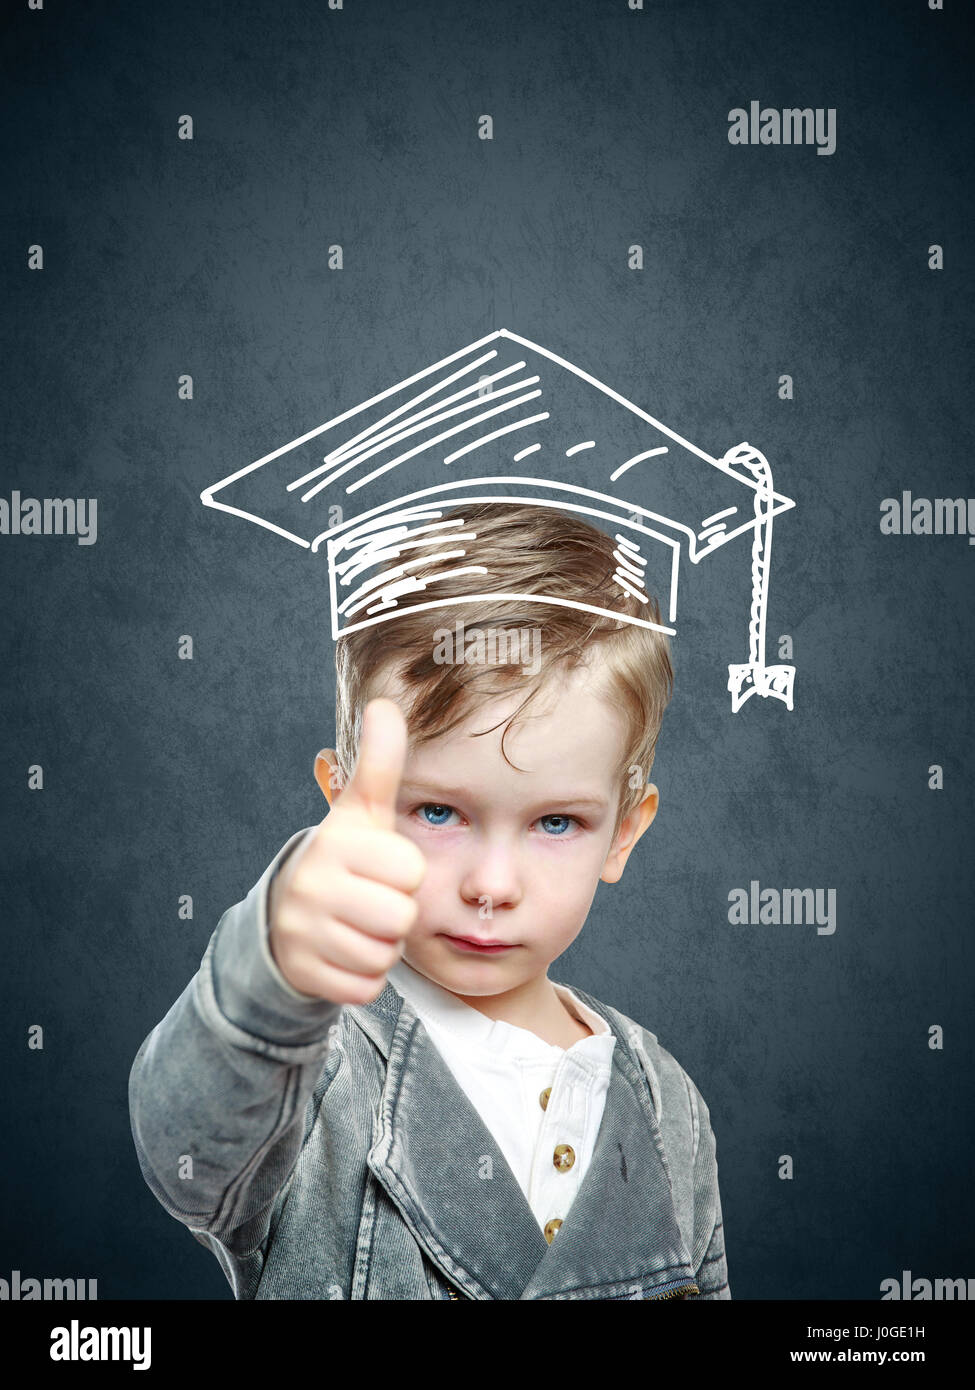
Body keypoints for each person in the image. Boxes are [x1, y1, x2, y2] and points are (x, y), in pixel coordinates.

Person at [128, 502, 730, 1300]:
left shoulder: (666, 1101)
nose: (490, 884)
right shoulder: (318, 1067)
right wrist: (271, 969)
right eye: (437, 813)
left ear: (622, 833)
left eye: (556, 822)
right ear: (342, 806)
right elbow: (186, 1146)